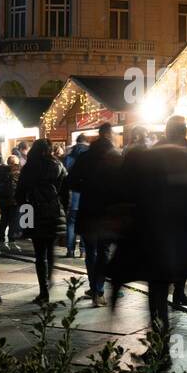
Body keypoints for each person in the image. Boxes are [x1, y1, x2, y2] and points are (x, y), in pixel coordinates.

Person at [121, 115, 187, 341]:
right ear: (184, 131)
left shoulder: (152, 154)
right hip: (182, 234)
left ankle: (160, 341)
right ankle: (178, 297)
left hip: (156, 234)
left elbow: (137, 193)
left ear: (167, 131)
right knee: (174, 275)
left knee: (157, 290)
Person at [67, 124, 123, 305]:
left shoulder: (85, 157)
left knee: (90, 251)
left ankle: (95, 289)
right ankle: (98, 290)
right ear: (109, 134)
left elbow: (72, 182)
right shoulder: (117, 157)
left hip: (88, 208)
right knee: (104, 251)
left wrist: (87, 187)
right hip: (108, 211)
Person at [14, 138, 68, 304]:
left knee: (39, 254)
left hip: (33, 211)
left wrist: (24, 216)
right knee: (50, 249)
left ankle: (43, 291)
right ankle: (50, 278)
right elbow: (64, 191)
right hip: (53, 210)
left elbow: (19, 194)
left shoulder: (29, 168)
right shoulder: (57, 166)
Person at [62, 133, 90, 258]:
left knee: (71, 224)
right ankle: (83, 251)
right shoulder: (90, 155)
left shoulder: (69, 156)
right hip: (86, 195)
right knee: (85, 224)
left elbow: (65, 176)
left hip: (72, 195)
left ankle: (70, 250)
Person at [0, 154, 21, 252]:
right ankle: (11, 241)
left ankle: (1, 240)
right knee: (13, 220)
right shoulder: (17, 171)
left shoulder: (0, 170)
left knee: (4, 219)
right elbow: (20, 185)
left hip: (3, 200)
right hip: (14, 200)